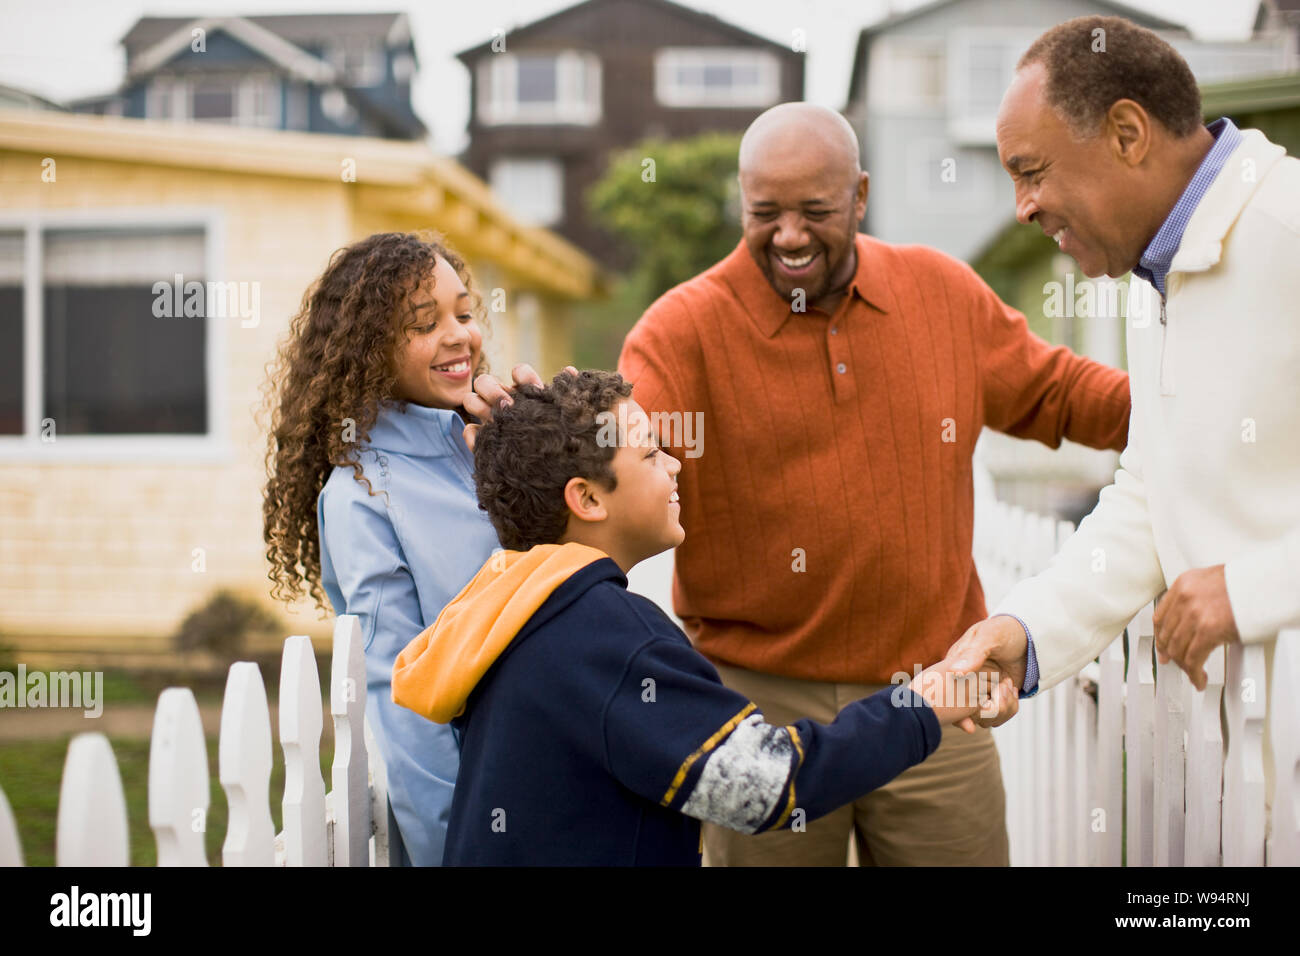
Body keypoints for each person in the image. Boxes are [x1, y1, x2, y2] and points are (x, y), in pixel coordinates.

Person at [604, 101, 1130, 867]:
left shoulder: (941, 293)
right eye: (765, 213)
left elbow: (1063, 393)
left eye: (815, 210)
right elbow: (613, 447)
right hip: (759, 707)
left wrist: (1194, 412)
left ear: (860, 196)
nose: (788, 235)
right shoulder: (682, 329)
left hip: (935, 693)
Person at [392, 370, 1015, 865]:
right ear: (585, 498)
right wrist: (924, 704)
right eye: (650, 454)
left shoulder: (510, 614)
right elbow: (769, 784)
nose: (675, 465)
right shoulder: (607, 638)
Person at [948, 18, 1299, 729]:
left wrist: (1255, 587)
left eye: (1031, 171)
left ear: (1129, 135)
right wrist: (1029, 633)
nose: (1022, 209)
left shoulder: (1289, 228)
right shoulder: (1151, 281)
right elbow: (1149, 494)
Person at [263, 231, 500, 865]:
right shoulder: (361, 499)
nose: (459, 336)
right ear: (368, 352)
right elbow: (404, 706)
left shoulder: (486, 445)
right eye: (426, 323)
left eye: (464, 313)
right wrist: (458, 848)